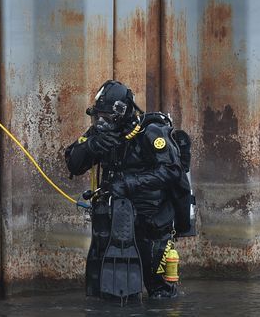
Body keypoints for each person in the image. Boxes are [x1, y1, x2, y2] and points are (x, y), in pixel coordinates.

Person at [64, 80, 191, 301]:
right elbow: (73, 164)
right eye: (98, 116)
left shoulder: (151, 132)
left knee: (160, 293)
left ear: (122, 113)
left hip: (152, 221)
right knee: (109, 289)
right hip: (116, 221)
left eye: (107, 117)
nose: (101, 122)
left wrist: (128, 183)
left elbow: (172, 171)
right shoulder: (101, 134)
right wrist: (91, 146)